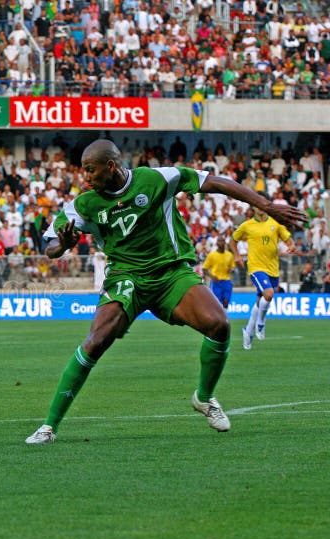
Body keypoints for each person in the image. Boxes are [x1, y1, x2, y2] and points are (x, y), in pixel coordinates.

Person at [25, 140, 307, 445]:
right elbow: (51, 244)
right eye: (84, 171)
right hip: (126, 278)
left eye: (90, 170)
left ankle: (204, 397)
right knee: (95, 342)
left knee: (219, 325)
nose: (86, 177)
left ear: (111, 166)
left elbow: (214, 182)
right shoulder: (85, 204)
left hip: (171, 273)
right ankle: (49, 427)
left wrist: (267, 206)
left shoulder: (156, 178)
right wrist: (63, 246)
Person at [229, 201, 297, 350]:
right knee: (269, 294)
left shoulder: (275, 223)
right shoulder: (247, 225)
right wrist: (237, 256)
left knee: (261, 300)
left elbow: (289, 240)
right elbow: (232, 240)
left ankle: (248, 331)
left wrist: (292, 246)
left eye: (262, 204)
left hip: (273, 269)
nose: (260, 207)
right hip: (256, 267)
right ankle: (261, 323)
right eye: (257, 204)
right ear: (253, 207)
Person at [201, 236, 235, 308]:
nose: (221, 243)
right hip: (216, 282)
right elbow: (204, 268)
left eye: (223, 241)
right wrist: (212, 276)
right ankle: (219, 315)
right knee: (217, 303)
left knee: (226, 302)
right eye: (219, 241)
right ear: (216, 243)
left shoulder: (230, 255)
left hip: (226, 281)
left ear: (225, 243)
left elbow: (232, 267)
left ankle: (224, 314)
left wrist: (231, 270)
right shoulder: (212, 255)